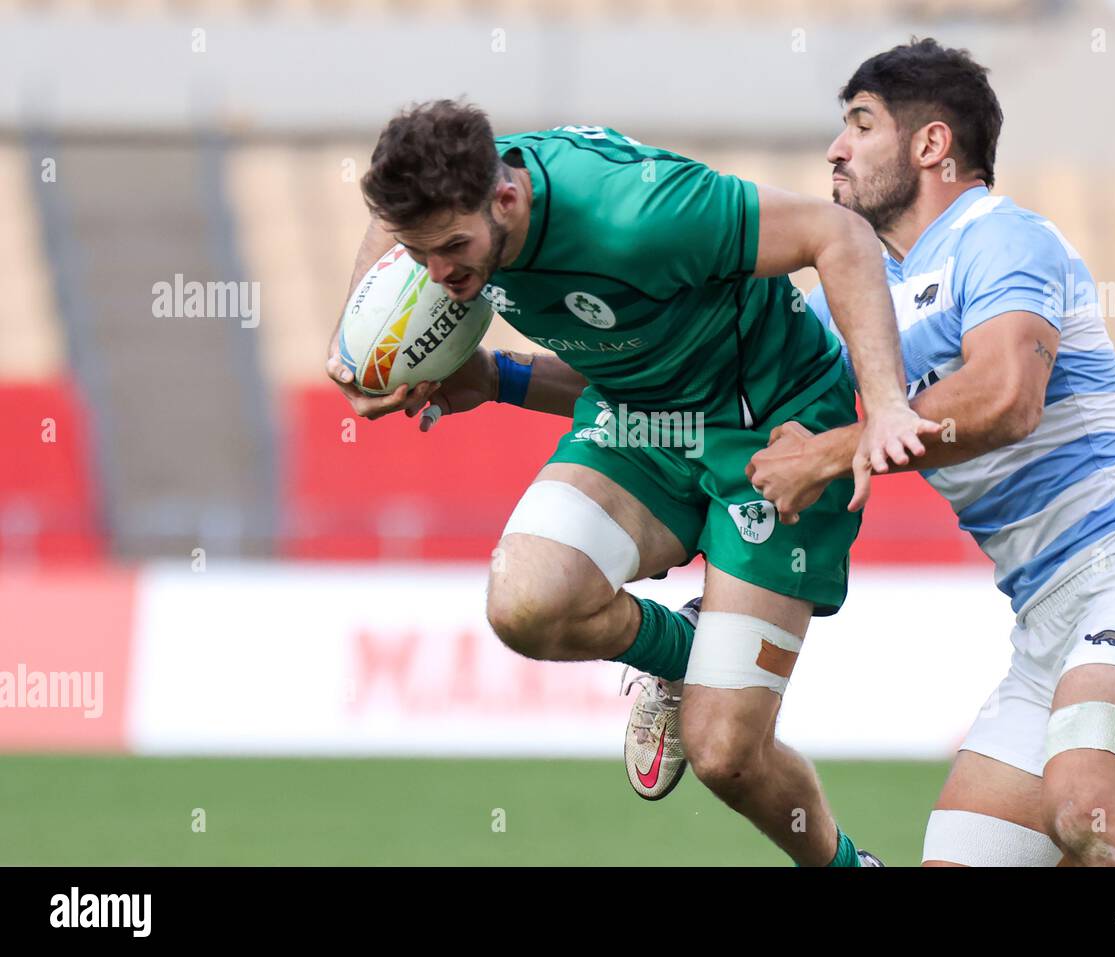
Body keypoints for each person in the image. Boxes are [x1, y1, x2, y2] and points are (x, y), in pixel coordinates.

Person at [325, 102, 940, 866]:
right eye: (421, 258)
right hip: (639, 419)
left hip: (770, 419)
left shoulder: (640, 210)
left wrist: (883, 406)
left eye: (452, 249)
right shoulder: (451, 193)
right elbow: (392, 224)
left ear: (507, 198)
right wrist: (360, 348)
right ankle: (685, 652)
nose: (442, 280)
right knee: (525, 603)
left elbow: (838, 234)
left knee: (724, 755)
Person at [745, 38, 1115, 866]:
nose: (835, 149)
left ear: (931, 144)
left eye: (860, 125)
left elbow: (1007, 397)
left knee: (1088, 812)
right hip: (1044, 624)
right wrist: (505, 375)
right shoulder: (859, 296)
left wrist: (836, 452)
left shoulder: (1001, 237)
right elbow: (726, 392)